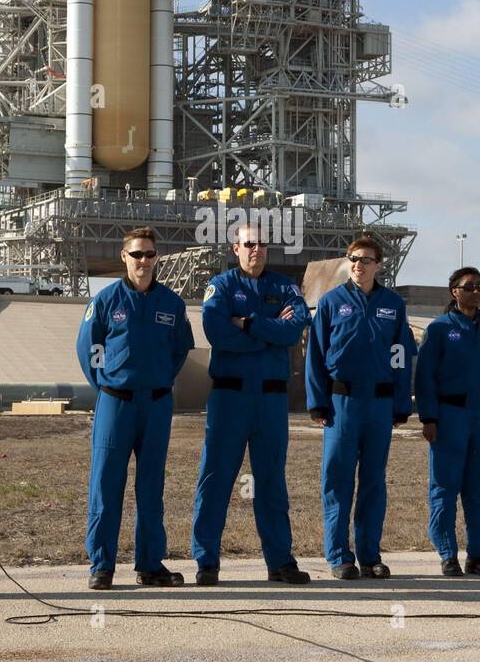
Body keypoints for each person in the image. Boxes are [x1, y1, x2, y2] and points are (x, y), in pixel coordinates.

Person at [190, 223, 312, 585]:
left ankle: (280, 561)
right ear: (236, 248)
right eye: (249, 244)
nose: (256, 249)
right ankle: (206, 561)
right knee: (216, 478)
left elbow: (295, 330)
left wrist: (249, 323)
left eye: (261, 244)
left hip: (272, 399)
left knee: (272, 481)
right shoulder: (222, 285)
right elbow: (217, 332)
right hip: (230, 397)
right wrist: (269, 334)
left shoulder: (284, 287)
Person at [75, 227, 194, 590]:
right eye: (137, 254)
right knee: (106, 485)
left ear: (157, 259)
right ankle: (102, 565)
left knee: (151, 486)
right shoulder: (106, 301)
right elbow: (88, 349)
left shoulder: (171, 303)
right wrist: (108, 386)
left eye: (150, 255)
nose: (144, 261)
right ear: (124, 257)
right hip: (116, 403)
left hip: (156, 405)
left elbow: (179, 352)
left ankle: (149, 564)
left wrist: (156, 381)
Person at [306, 235, 415, 579]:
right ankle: (339, 555)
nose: (358, 265)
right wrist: (317, 402)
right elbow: (316, 356)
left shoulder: (393, 306)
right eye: (353, 258)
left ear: (378, 265)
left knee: (373, 481)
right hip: (342, 404)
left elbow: (401, 356)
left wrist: (400, 403)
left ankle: (369, 555)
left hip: (380, 405)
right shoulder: (330, 303)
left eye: (366, 259)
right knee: (337, 479)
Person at [413, 266, 480, 576]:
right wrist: (428, 417)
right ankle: (447, 554)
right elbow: (425, 376)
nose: (475, 291)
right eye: (469, 286)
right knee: (444, 487)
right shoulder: (440, 329)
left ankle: (477, 554)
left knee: (477, 489)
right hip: (449, 416)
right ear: (454, 291)